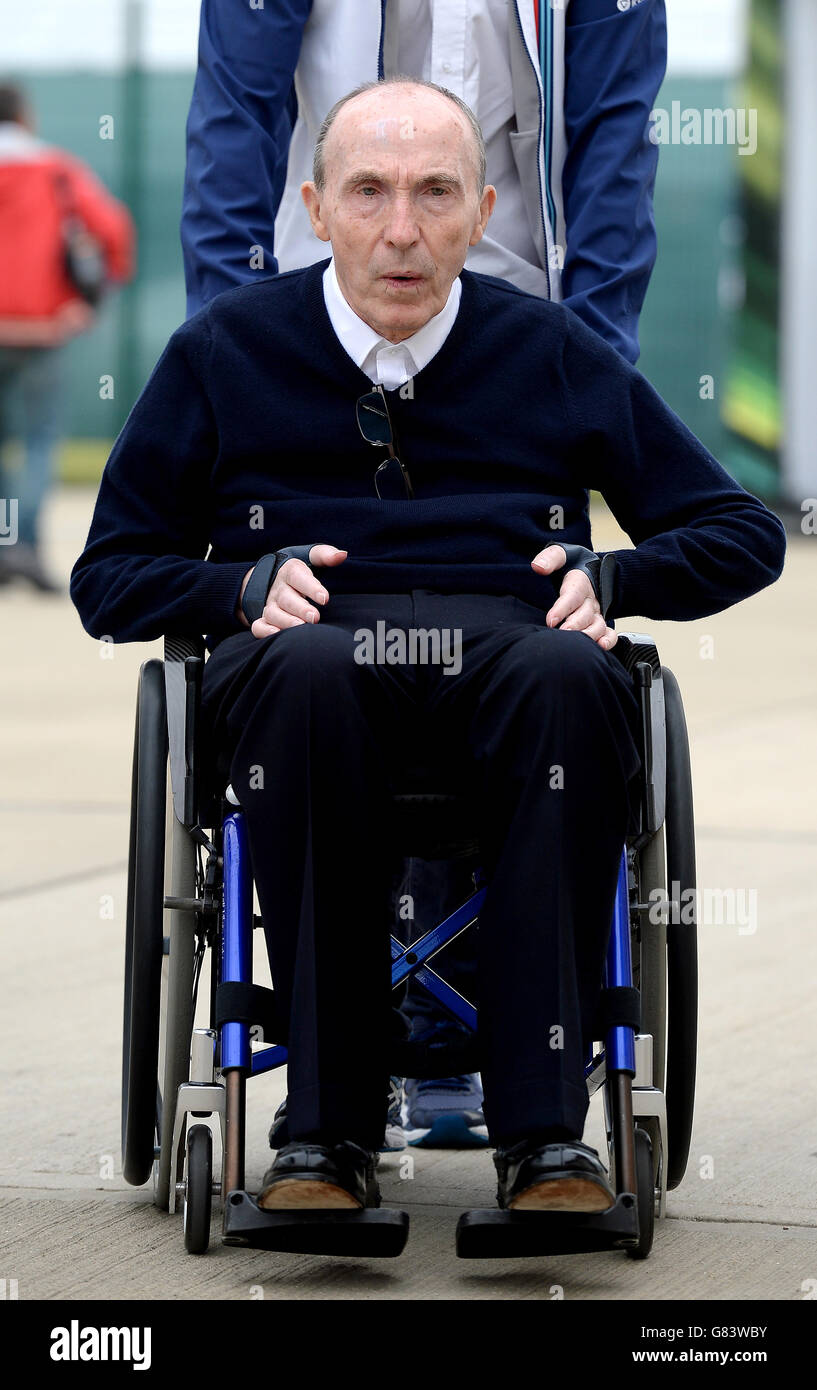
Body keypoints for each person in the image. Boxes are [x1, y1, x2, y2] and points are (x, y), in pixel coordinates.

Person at [70, 79, 785, 1216]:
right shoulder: (223, 353)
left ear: (480, 210)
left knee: (570, 676)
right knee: (306, 674)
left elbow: (741, 533)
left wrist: (614, 579)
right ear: (314, 206)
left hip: (513, 665)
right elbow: (107, 576)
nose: (400, 229)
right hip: (302, 669)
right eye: (368, 192)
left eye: (434, 193)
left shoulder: (549, 351)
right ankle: (325, 1137)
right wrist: (234, 585)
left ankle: (548, 1140)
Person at [180, 0, 670, 1151]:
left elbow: (612, 139)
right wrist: (236, 348)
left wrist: (588, 360)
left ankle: (473, 1051)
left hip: (517, 324)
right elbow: (236, 122)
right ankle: (360, 1071)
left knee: (515, 651)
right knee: (329, 652)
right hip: (322, 308)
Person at [0, 82, 134, 591]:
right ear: (26, 117)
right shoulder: (56, 171)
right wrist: (86, 303)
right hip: (42, 330)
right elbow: (113, 229)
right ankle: (24, 551)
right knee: (36, 443)